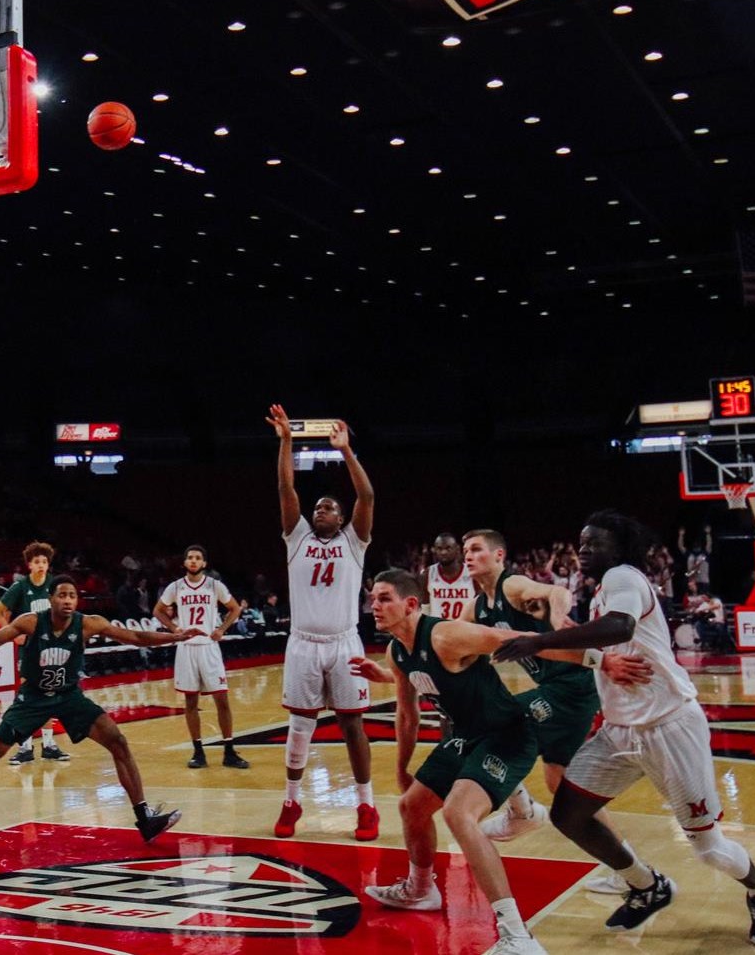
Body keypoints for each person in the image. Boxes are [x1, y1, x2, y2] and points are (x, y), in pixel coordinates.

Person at [495, 510, 755, 948]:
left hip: (669, 727)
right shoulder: (602, 593)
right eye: (581, 541)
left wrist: (538, 642)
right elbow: (605, 637)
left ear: (620, 548)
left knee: (709, 848)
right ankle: (647, 884)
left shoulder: (624, 577)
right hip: (620, 732)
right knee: (568, 814)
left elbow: (620, 627)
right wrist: (554, 628)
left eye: (594, 543)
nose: (584, 549)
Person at [351, 570, 617, 955]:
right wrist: (400, 767)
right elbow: (407, 715)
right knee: (413, 806)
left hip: (508, 735)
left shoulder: (445, 634)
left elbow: (518, 640)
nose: (374, 606)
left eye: (384, 598)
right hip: (468, 734)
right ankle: (421, 890)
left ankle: (517, 935)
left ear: (410, 604)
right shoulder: (397, 652)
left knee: (459, 814)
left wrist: (599, 660)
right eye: (372, 599)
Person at [0, 579, 193, 844]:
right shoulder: (31, 621)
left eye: (72, 595)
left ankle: (144, 818)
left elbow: (136, 637)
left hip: (68, 697)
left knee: (118, 741)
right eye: (62, 595)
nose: (67, 600)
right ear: (51, 599)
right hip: (32, 698)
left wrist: (176, 637)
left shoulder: (88, 623)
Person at [461, 530, 651, 896]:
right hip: (561, 689)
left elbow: (556, 592)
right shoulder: (476, 608)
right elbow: (451, 643)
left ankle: (522, 812)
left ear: (498, 555)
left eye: (476, 549)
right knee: (562, 785)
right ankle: (628, 869)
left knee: (495, 724)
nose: (468, 556)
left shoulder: (512, 585)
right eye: (465, 550)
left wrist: (559, 611)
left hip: (572, 685)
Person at [266, 404, 378, 840]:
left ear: (342, 518)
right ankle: (292, 800)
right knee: (300, 726)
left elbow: (366, 497)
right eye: (317, 507)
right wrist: (287, 442)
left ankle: (366, 807)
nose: (321, 511)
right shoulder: (297, 539)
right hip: (304, 643)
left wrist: (347, 451)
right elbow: (284, 488)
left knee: (353, 724)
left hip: (345, 642)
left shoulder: (355, 541)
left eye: (329, 507)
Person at [154, 545, 250, 769]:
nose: (194, 561)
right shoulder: (176, 587)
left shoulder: (215, 585)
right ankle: (198, 752)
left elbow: (234, 608)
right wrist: (173, 628)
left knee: (222, 700)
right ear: (184, 563)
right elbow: (158, 610)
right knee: (191, 701)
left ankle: (229, 751)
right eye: (190, 558)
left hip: (209, 646)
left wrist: (222, 629)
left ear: (204, 563)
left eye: (198, 558)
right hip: (186, 647)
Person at [0, 541, 68, 765]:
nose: (41, 565)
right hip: (29, 650)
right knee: (27, 697)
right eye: (37, 562)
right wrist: (12, 632)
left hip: (51, 648)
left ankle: (48, 745)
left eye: (44, 561)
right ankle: (24, 746)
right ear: (29, 565)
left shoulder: (54, 586)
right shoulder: (20, 586)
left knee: (48, 694)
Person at [423, 532, 476, 620]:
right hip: (438, 629)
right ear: (434, 550)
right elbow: (425, 607)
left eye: (448, 548)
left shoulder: (472, 572)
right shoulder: (427, 574)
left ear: (457, 549)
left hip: (465, 629)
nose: (443, 552)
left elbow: (480, 604)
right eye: (439, 548)